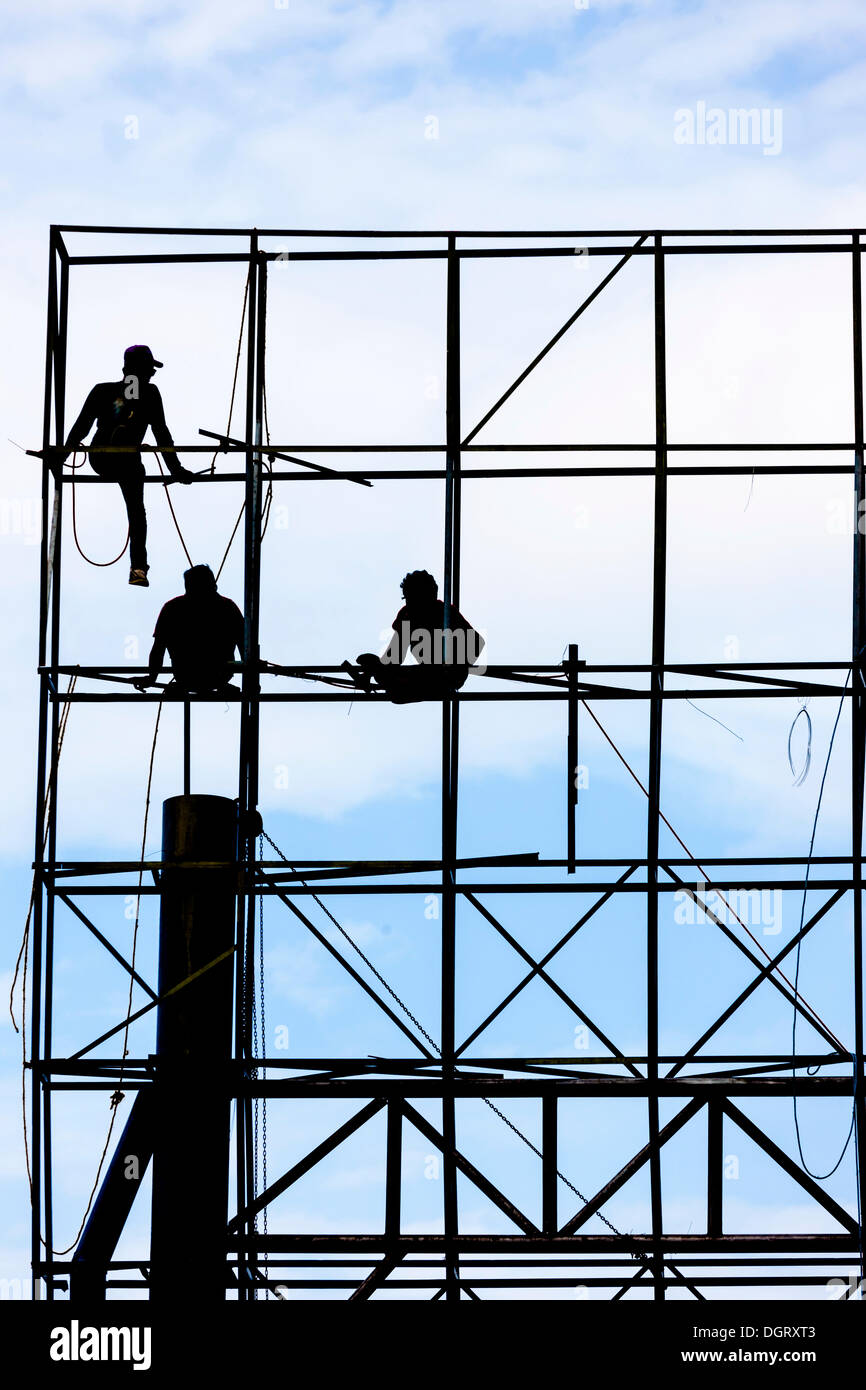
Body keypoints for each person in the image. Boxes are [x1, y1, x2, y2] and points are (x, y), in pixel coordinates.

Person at [58, 344, 194, 586]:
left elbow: (82, 428)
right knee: (137, 511)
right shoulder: (142, 394)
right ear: (138, 370)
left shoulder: (113, 391)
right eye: (149, 370)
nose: (152, 374)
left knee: (137, 511)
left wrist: (62, 457)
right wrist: (176, 469)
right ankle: (138, 568)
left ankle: (138, 568)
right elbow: (161, 433)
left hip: (111, 459)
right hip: (113, 459)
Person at [346, 569, 484, 703]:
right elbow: (395, 656)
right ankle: (397, 682)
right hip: (425, 675)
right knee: (394, 686)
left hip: (447, 675)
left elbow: (477, 643)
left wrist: (456, 664)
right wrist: (371, 672)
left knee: (397, 688)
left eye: (412, 598)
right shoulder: (407, 615)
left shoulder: (443, 611)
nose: (409, 603)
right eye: (407, 599)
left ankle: (404, 684)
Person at [134, 565, 244, 694]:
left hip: (186, 676)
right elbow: (244, 646)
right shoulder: (228, 607)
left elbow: (158, 648)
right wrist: (252, 681)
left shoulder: (172, 608)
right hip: (219, 675)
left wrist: (152, 678)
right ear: (213, 584)